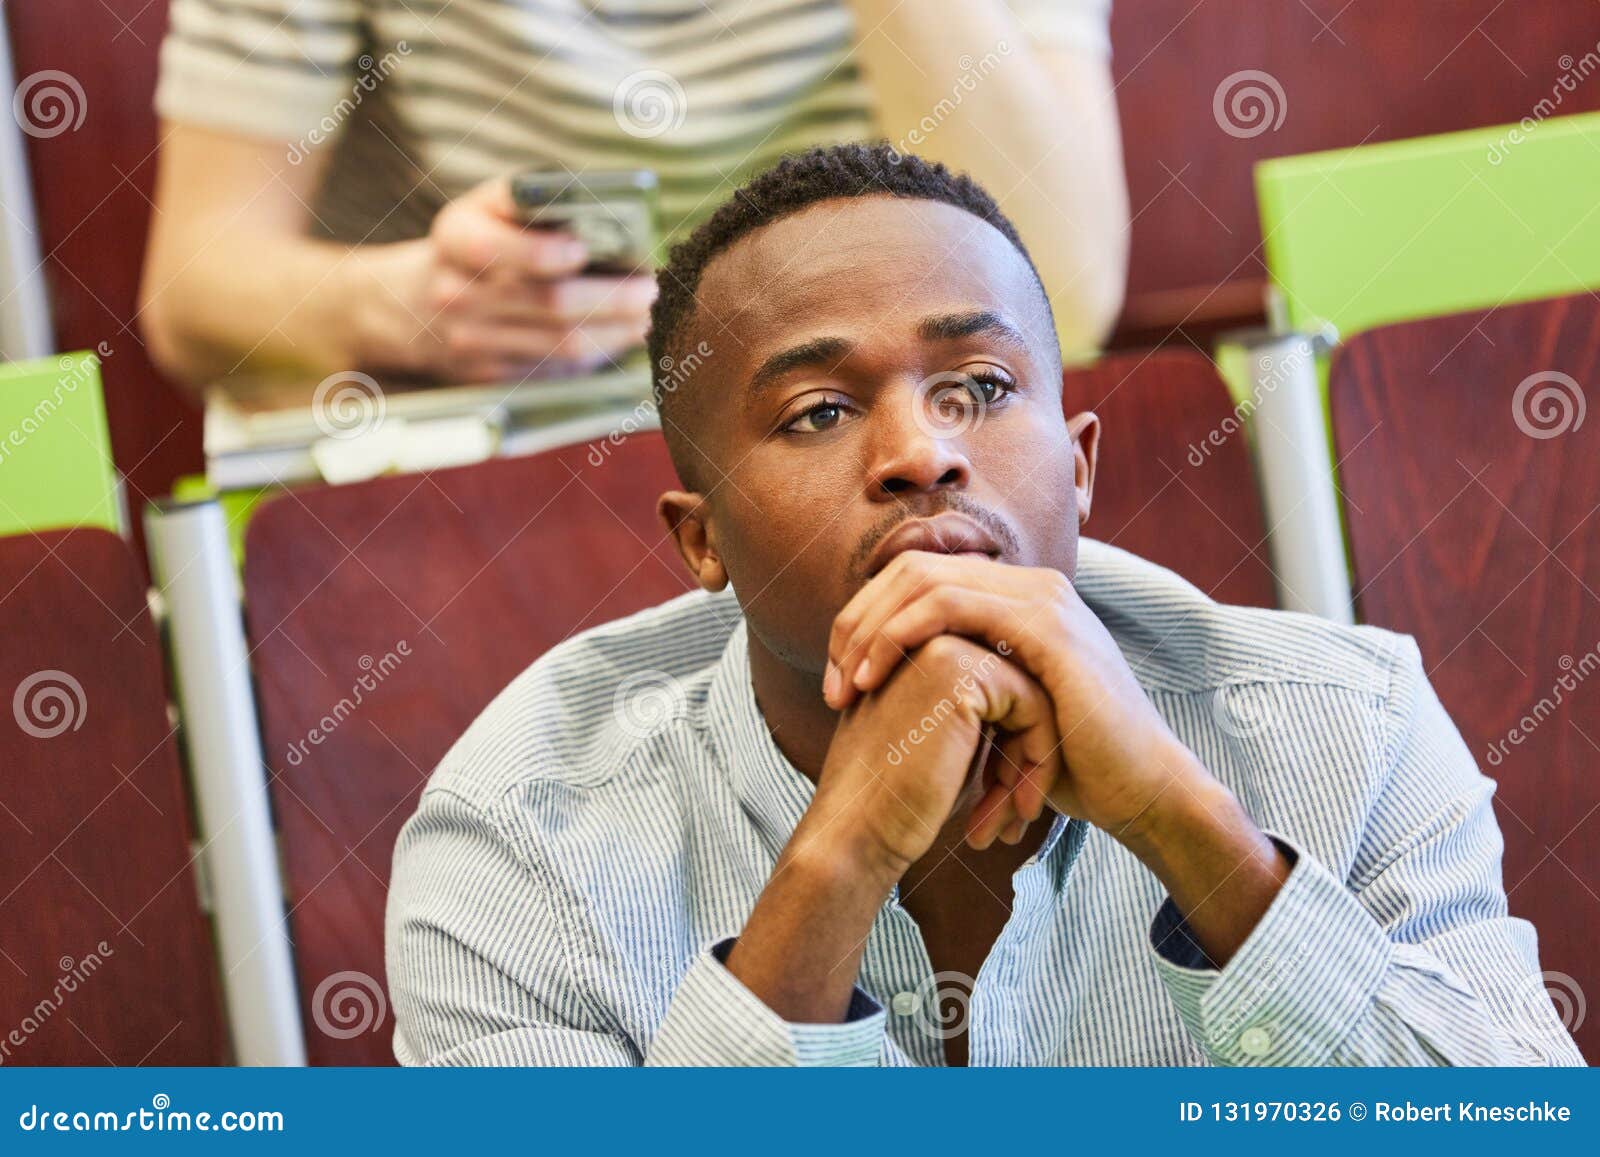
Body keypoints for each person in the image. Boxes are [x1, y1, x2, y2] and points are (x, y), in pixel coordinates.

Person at [385, 143, 1583, 1067]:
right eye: (817, 411)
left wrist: (1180, 821)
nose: (922, 452)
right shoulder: (522, 835)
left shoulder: (1345, 723)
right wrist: (838, 860)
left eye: (977, 386)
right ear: (703, 540)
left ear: (1080, 467)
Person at [139, 1, 1127, 393]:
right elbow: (193, 291)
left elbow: (1062, 299)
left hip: (890, 446)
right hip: (525, 495)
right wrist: (418, 304)